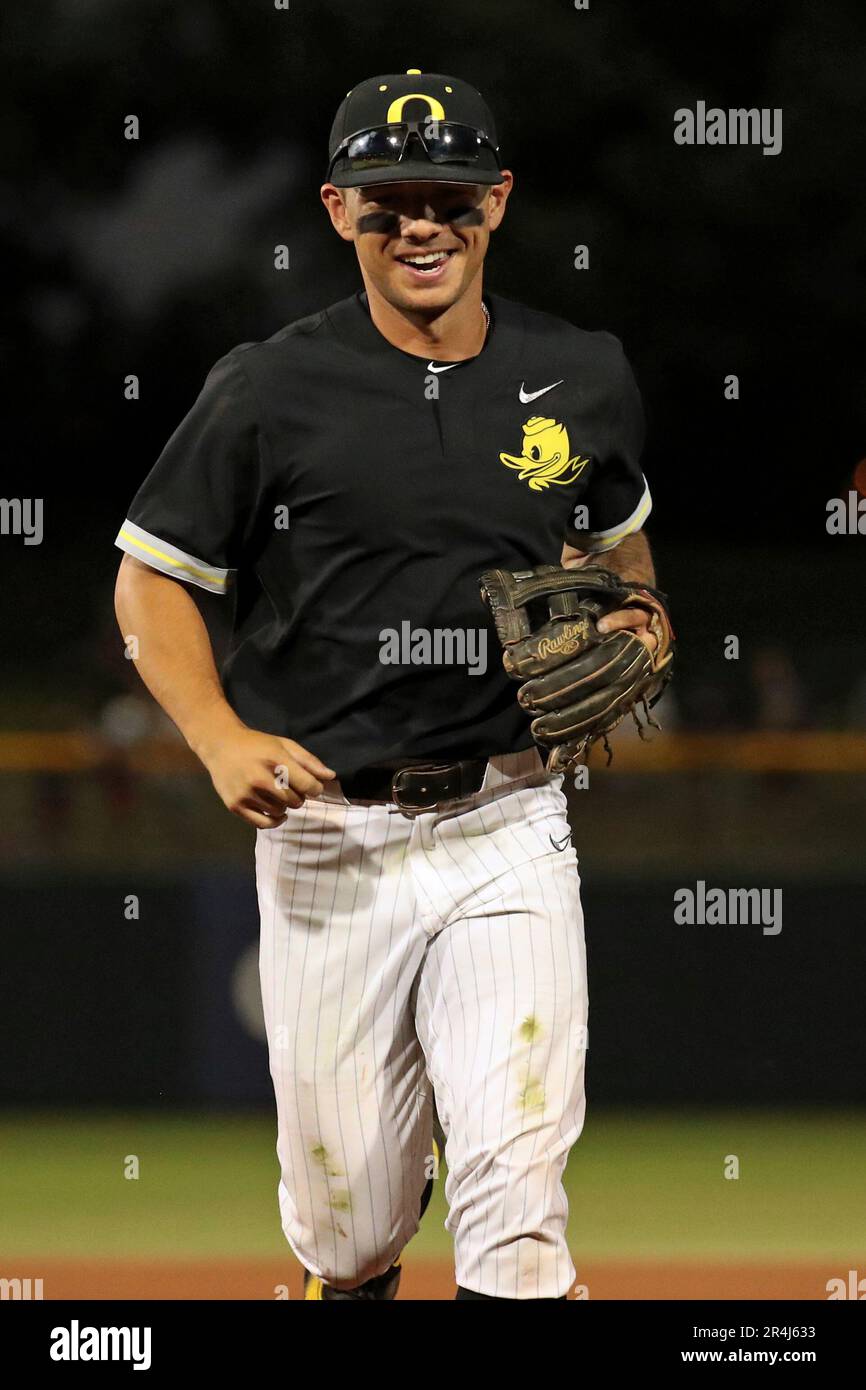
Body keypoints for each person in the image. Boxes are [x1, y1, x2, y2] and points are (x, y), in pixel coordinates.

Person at [113, 69, 662, 1301]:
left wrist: (640, 613)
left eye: (450, 197)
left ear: (499, 202)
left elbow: (618, 553)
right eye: (389, 200)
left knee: (516, 1222)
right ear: (336, 209)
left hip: (505, 821)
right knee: (349, 1233)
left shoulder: (581, 374)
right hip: (325, 838)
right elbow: (149, 586)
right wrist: (214, 736)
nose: (422, 224)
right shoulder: (265, 387)